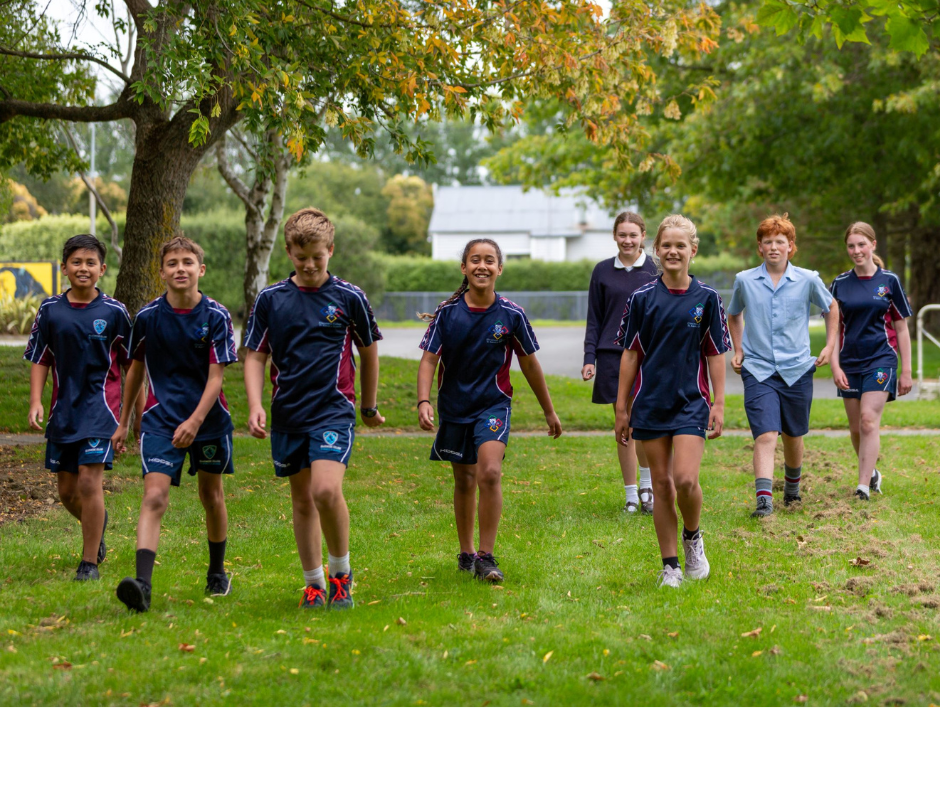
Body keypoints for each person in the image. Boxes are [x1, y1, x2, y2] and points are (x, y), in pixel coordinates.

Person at [244, 208, 385, 610]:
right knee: (302, 499)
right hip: (288, 412)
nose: (309, 265)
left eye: (317, 257)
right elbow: (255, 356)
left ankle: (341, 575)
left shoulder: (348, 297)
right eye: (301, 257)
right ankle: (313, 583)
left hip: (333, 410)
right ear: (288, 251)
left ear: (331, 251)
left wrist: (369, 405)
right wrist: (255, 404)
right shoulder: (272, 299)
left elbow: (369, 350)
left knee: (325, 490)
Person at [417, 238, 562, 583]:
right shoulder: (447, 313)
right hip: (454, 408)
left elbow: (530, 365)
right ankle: (466, 553)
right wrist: (423, 400)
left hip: (493, 406)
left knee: (490, 473)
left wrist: (549, 411)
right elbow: (428, 361)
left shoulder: (511, 314)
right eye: (474, 260)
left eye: (489, 260)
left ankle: (486, 556)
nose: (482, 266)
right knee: (464, 480)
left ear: (499, 268)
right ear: (464, 268)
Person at [112, 236, 238, 612]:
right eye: (172, 263)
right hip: (161, 421)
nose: (179, 268)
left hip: (209, 421)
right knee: (154, 497)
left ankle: (217, 573)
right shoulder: (148, 317)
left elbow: (216, 378)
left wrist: (195, 422)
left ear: (201, 269)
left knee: (210, 496)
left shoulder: (216, 316)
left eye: (187, 262)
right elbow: (134, 369)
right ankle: (142, 587)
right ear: (162, 271)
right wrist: (124, 422)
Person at [614, 215, 729, 589]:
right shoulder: (641, 299)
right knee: (661, 484)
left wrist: (719, 404)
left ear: (693, 250)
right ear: (656, 251)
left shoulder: (708, 299)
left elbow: (714, 354)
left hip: (691, 404)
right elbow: (630, 355)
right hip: (649, 404)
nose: (673, 251)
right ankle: (671, 567)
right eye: (667, 245)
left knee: (684, 479)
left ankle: (693, 538)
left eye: (681, 245)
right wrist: (622, 408)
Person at [24, 234, 136, 581]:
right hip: (63, 411)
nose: (83, 268)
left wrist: (128, 418)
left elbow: (132, 365)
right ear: (64, 268)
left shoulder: (115, 312)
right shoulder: (50, 309)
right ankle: (96, 526)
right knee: (67, 492)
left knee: (90, 483)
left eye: (90, 263)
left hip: (102, 410)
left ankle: (89, 564)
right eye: (76, 262)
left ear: (102, 269)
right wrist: (35, 401)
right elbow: (40, 358)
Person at [727, 214, 838, 517]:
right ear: (759, 248)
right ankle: (764, 501)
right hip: (758, 368)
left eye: (780, 242)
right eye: (767, 242)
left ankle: (792, 489)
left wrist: (829, 345)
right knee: (765, 434)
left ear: (791, 246)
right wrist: (738, 349)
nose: (773, 247)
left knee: (793, 434)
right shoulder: (745, 280)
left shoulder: (808, 279)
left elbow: (831, 307)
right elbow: (733, 314)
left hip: (797, 369)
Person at [829, 221, 913, 500]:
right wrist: (835, 365)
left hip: (881, 358)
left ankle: (863, 486)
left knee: (868, 421)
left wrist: (906, 371)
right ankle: (873, 472)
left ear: (873, 245)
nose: (856, 250)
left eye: (861, 244)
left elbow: (901, 328)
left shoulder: (889, 281)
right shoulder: (840, 284)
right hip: (849, 363)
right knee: (855, 428)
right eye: (851, 246)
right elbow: (834, 330)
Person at [582, 211, 658, 514]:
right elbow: (594, 319)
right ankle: (630, 494)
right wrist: (590, 358)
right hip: (611, 356)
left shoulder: (655, 270)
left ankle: (647, 487)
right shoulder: (602, 271)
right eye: (622, 234)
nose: (628, 240)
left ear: (643, 237)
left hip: (648, 356)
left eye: (633, 235)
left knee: (644, 424)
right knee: (623, 423)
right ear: (615, 236)